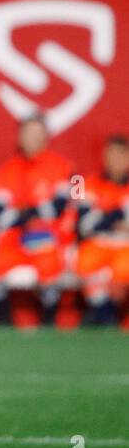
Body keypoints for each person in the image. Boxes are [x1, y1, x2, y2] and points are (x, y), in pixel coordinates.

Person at [0, 116, 73, 327]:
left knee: (49, 264)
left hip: (47, 238)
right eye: (28, 134)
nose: (33, 139)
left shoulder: (62, 168)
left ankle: (48, 323)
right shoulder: (6, 171)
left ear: (46, 137)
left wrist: (21, 213)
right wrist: (37, 211)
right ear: (20, 138)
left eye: (38, 134)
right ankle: (2, 326)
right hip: (14, 239)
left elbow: (60, 208)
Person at [74, 135, 129, 327]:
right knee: (84, 262)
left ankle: (105, 315)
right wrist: (117, 214)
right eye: (110, 155)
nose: (114, 160)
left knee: (123, 270)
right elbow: (84, 224)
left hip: (125, 244)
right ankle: (105, 314)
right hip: (98, 242)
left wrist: (101, 215)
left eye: (120, 155)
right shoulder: (85, 183)